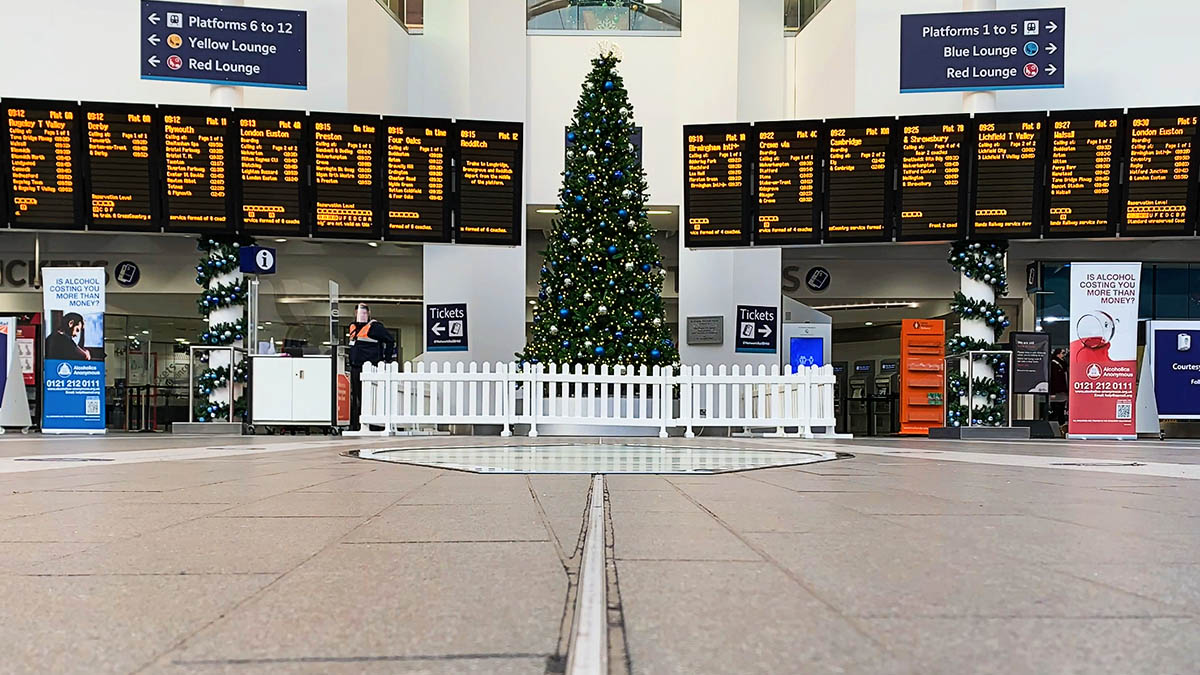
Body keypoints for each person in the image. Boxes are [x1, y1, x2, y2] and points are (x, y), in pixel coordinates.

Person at [347, 303, 396, 431]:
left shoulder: (375, 327)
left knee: (371, 398)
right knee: (357, 397)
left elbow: (390, 340)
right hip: (356, 367)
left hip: (371, 368)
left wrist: (386, 360)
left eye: (364, 312)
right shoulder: (353, 327)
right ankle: (356, 425)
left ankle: (373, 425)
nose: (361, 315)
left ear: (368, 314)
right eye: (359, 312)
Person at [1049, 347, 1068, 427]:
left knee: (1061, 408)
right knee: (1057, 409)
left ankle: (1062, 424)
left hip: (1062, 391)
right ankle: (1060, 424)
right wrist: (1052, 392)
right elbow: (1053, 378)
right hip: (1057, 391)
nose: (1064, 355)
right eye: (1062, 353)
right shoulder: (1054, 364)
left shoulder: (1063, 364)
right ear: (1058, 354)